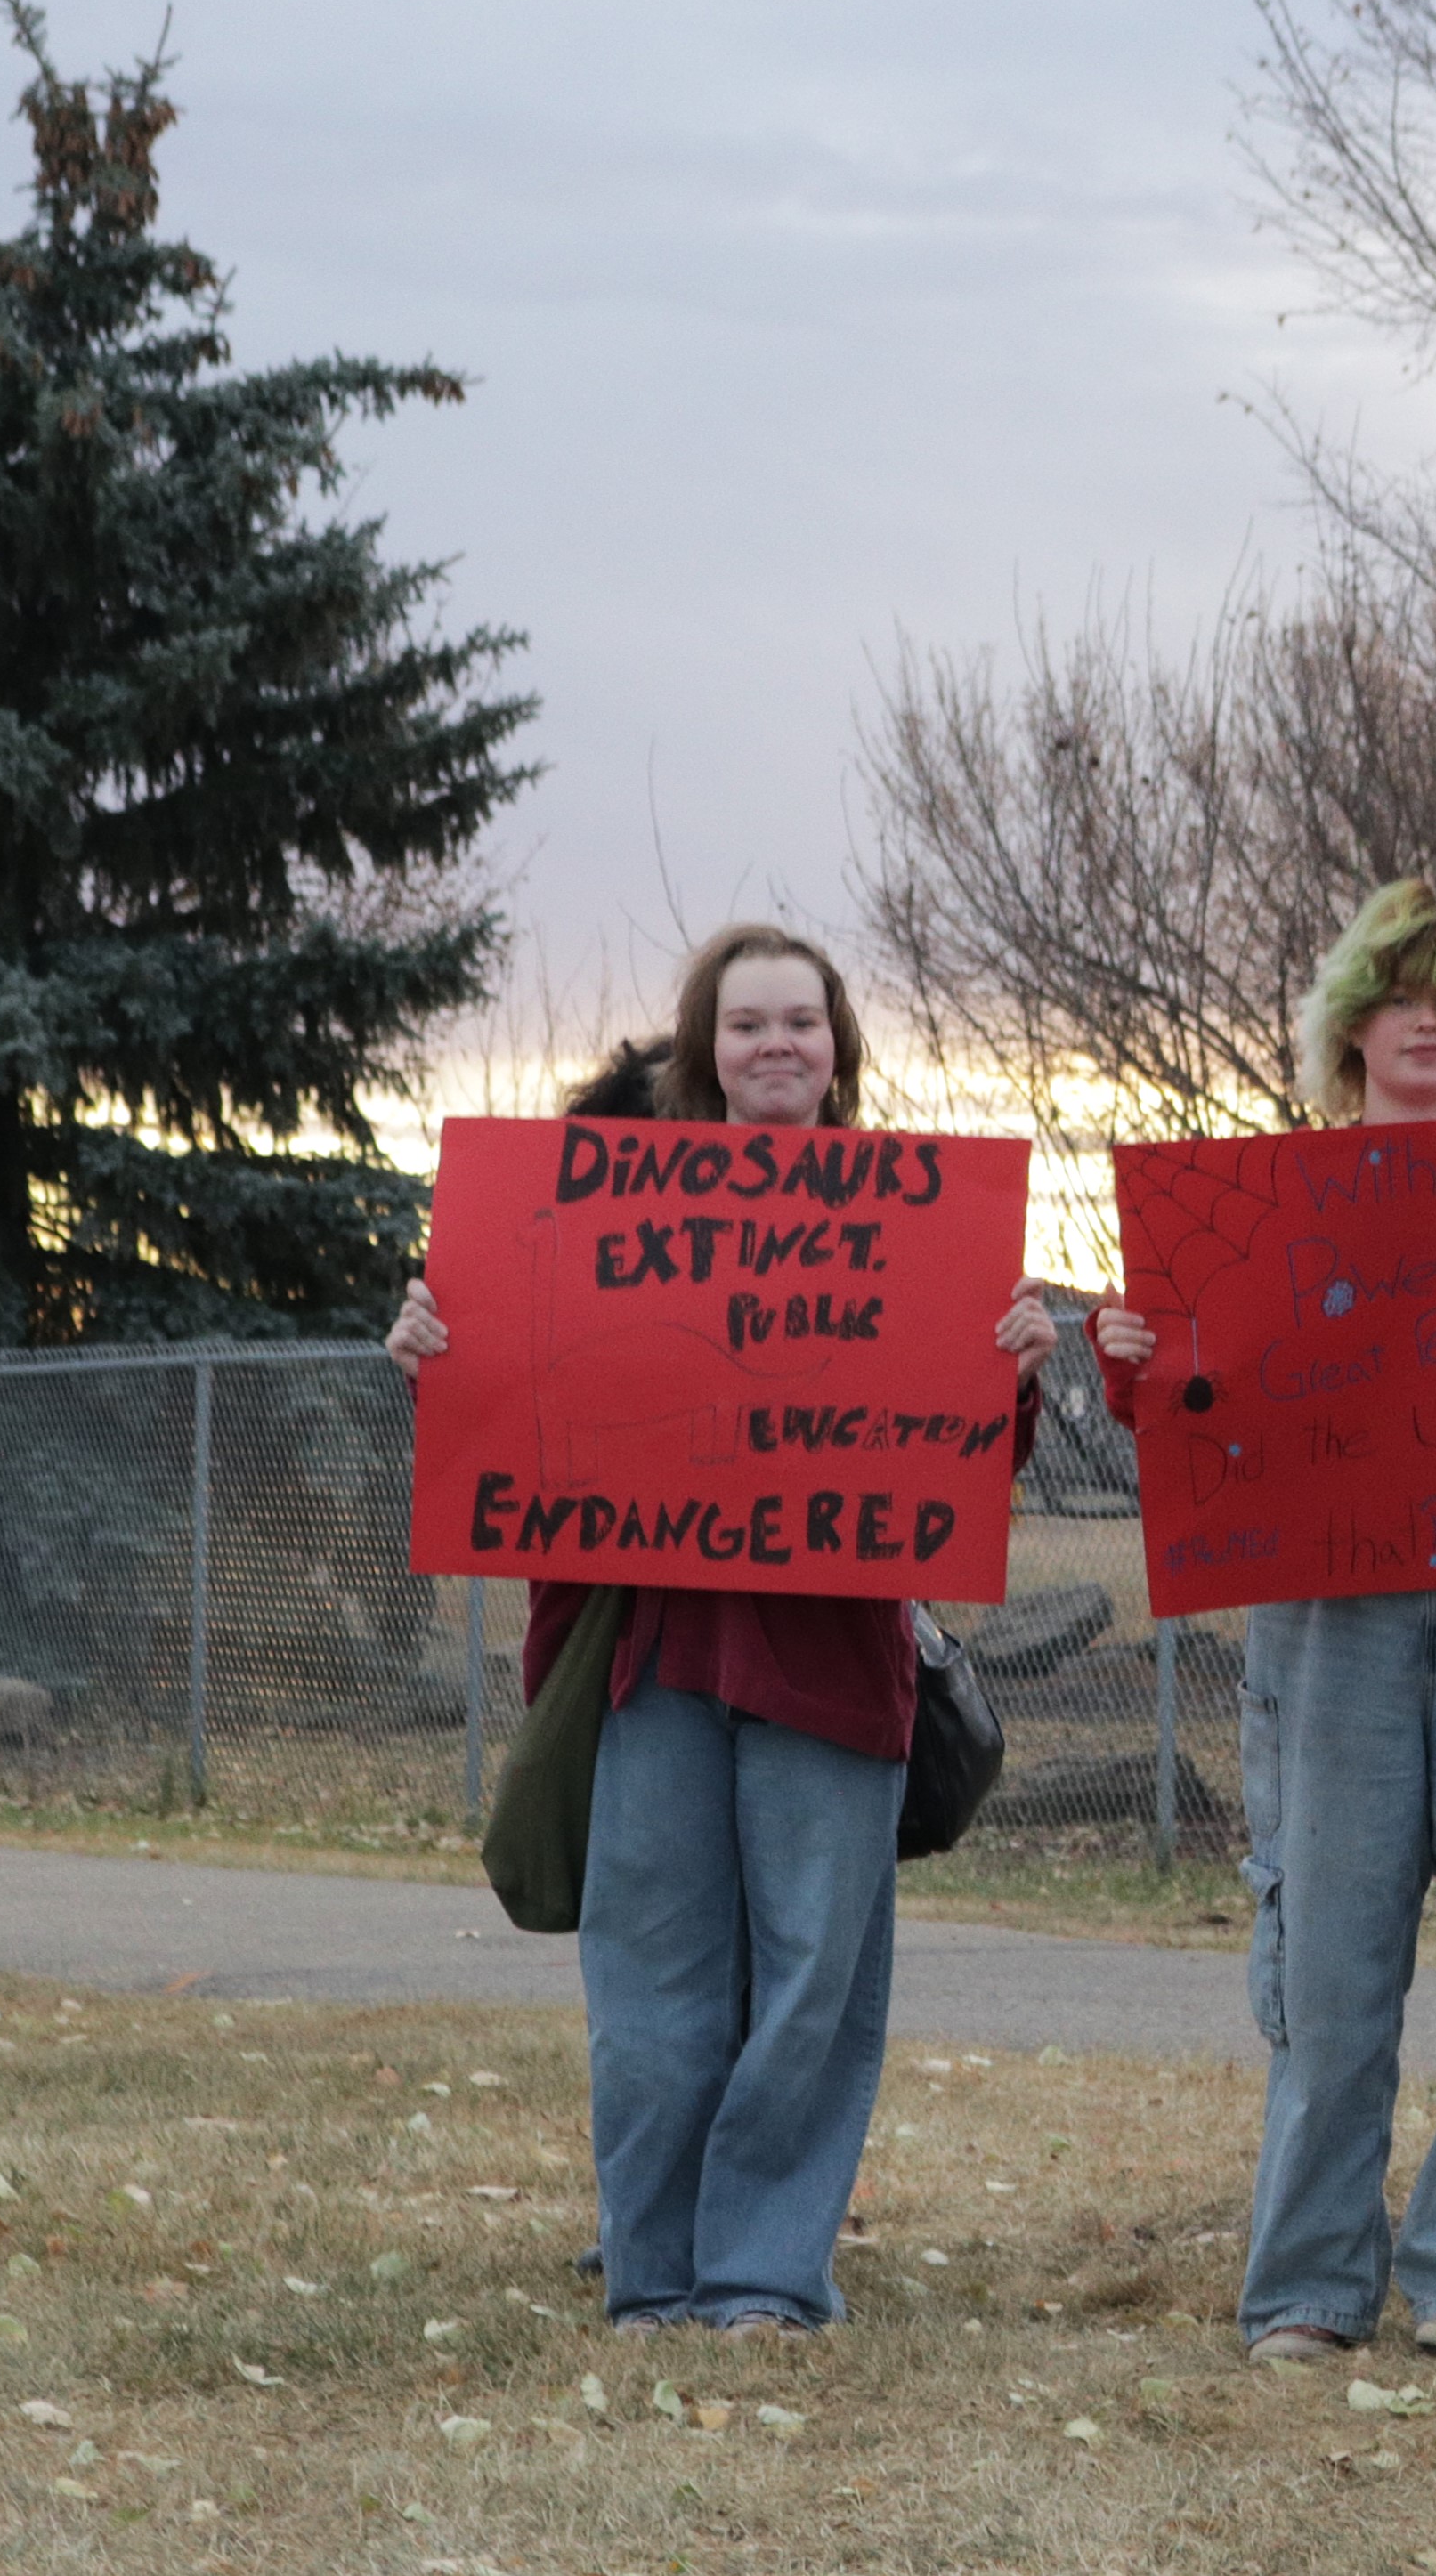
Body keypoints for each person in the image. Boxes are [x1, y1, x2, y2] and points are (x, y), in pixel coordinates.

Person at [386, 924, 1056, 2336]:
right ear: (705, 1050)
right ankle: (653, 2272)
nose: (774, 1045)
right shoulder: (601, 1220)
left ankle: (762, 2278)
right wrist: (441, 1349)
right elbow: (519, 1415)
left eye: (799, 1021)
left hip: (834, 1674)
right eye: (746, 1023)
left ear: (837, 1049)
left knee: (812, 1987)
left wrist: (1005, 1373)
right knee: (653, 1991)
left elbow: (962, 1471)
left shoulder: (921, 1230)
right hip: (656, 1670)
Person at [1087, 878, 1436, 2369]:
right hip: (1330, 1613)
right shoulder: (1259, 1205)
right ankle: (1309, 2281)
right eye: (1395, 994)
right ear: (1348, 1028)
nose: (1425, 1019)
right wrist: (1135, 1359)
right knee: (1325, 1947)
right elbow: (1205, 1412)